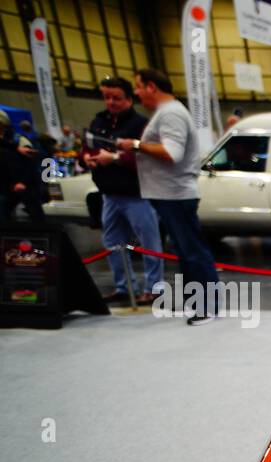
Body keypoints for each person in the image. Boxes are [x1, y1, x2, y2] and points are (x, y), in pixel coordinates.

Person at [116, 68, 220, 325]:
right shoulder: (168, 112)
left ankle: (207, 306)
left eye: (138, 87)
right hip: (169, 194)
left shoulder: (171, 113)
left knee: (193, 252)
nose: (137, 93)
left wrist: (136, 145)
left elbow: (171, 152)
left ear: (152, 87)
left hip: (175, 194)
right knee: (187, 252)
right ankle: (198, 303)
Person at [82, 75, 163, 304]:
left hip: (137, 195)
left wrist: (115, 158)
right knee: (112, 243)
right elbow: (86, 147)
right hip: (109, 194)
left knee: (150, 243)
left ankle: (154, 288)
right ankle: (124, 286)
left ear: (128, 99)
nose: (110, 102)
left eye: (116, 98)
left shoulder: (140, 125)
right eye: (106, 97)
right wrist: (87, 158)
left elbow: (149, 157)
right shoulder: (98, 121)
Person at [0, 111, 44, 223]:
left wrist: (22, 182)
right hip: (6, 185)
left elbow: (31, 163)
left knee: (36, 216)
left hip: (23, 184)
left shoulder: (18, 140)